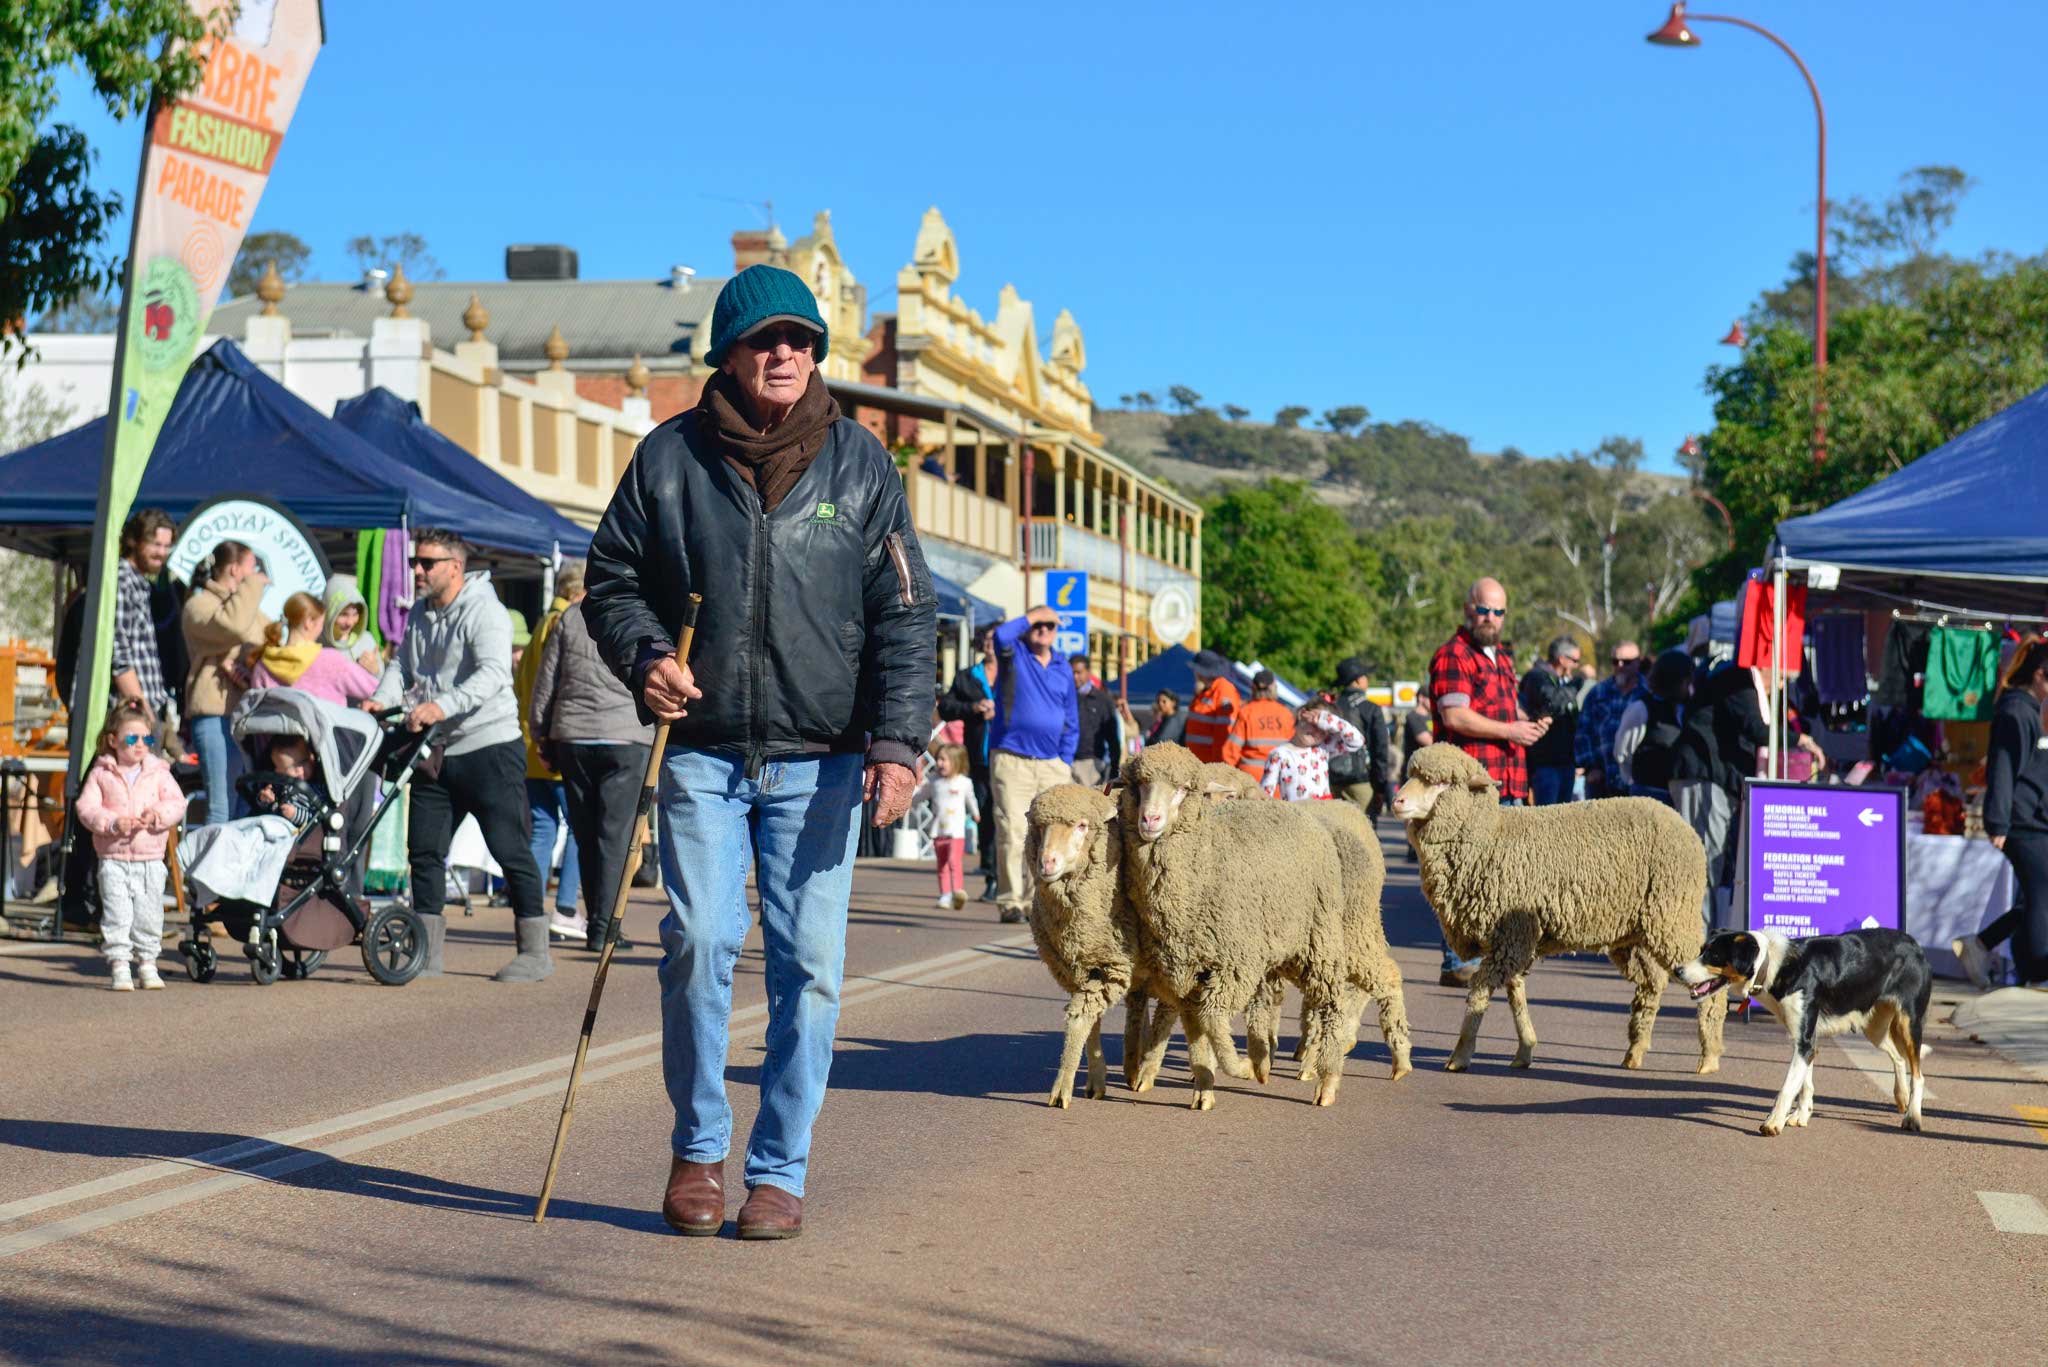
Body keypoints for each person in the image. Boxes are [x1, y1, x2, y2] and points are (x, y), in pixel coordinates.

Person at [583, 262, 934, 1240]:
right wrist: (644, 653)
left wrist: (898, 742)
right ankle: (699, 1147)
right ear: (728, 356)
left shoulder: (860, 464)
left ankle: (777, 1168)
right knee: (699, 942)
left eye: (803, 340)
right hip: (700, 750)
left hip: (821, 756)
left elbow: (905, 614)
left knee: (809, 964)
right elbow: (609, 581)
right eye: (766, 340)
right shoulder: (666, 460)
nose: (786, 354)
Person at [370, 528, 552, 984]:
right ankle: (426, 955)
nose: (416, 570)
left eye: (426, 563)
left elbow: (494, 673)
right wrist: (382, 697)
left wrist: (441, 705)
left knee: (509, 847)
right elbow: (401, 666)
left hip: (489, 745)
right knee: (424, 851)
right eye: (415, 561)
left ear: (455, 566)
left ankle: (534, 952)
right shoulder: (418, 612)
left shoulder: (484, 610)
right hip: (435, 749)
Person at [1427, 577, 1546, 984]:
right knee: (1464, 876)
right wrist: (1511, 731)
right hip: (1471, 787)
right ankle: (1457, 962)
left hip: (1508, 780)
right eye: (1483, 609)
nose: (1490, 618)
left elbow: (1507, 713)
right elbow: (1454, 717)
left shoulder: (1503, 657)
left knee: (1503, 875)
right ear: (1467, 609)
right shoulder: (1453, 655)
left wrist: (1529, 726)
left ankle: (1498, 955)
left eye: (1498, 611)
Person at [529, 588, 656, 953]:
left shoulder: (570, 616)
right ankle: (605, 926)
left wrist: (541, 732)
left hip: (574, 735)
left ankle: (597, 926)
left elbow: (546, 679)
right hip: (627, 736)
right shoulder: (643, 611)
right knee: (614, 836)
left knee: (585, 834)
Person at [73, 699, 187, 991]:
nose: (140, 745)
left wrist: (158, 815)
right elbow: (86, 808)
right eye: (131, 738)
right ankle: (120, 965)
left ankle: (148, 963)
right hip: (113, 858)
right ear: (113, 740)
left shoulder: (159, 772)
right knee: (117, 914)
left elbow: (177, 803)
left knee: (150, 913)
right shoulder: (101, 773)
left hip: (150, 858)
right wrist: (111, 823)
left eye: (147, 738)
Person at [1955, 637, 2048, 990]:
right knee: (2041, 894)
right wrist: (1998, 821)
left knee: (2034, 897)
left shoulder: (2033, 711)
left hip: (2036, 819)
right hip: (2022, 822)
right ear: (2039, 675)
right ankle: (2038, 973)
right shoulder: (2015, 711)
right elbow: (2004, 769)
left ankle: (1985, 948)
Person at [987, 605, 1079, 926]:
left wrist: (1064, 759)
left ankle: (1035, 899)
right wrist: (1033, 614)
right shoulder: (1015, 656)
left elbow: (1071, 717)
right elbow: (1000, 635)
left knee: (1048, 834)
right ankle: (1012, 901)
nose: (1043, 630)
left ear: (1057, 632)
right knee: (1012, 829)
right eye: (1038, 625)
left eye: (1050, 626)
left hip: (1051, 763)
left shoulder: (1062, 666)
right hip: (1013, 759)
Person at [1671, 661, 1774, 931]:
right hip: (1704, 780)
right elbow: (1756, 729)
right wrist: (1802, 740)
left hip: (1709, 780)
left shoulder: (1729, 677)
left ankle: (1701, 940)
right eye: (1781, 679)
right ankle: (1698, 944)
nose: (1780, 686)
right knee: (1703, 865)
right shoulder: (1738, 679)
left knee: (1709, 866)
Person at [515, 565, 586, 943]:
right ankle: (566, 907)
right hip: (554, 742)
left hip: (530, 742)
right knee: (578, 825)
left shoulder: (541, 622)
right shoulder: (565, 622)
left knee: (543, 828)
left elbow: (522, 683)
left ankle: (531, 907)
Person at [181, 540, 271, 825]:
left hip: (247, 719)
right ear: (235, 569)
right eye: (252, 567)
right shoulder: (199, 605)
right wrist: (252, 586)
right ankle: (209, 870)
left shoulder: (248, 608)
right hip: (214, 716)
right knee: (221, 807)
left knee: (245, 809)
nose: (258, 574)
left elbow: (269, 642)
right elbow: (232, 625)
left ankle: (235, 870)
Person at [938, 626, 1001, 901]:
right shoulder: (968, 677)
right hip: (980, 757)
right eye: (986, 640)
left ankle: (1019, 878)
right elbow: (946, 708)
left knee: (1010, 816)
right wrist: (973, 708)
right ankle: (993, 878)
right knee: (987, 816)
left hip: (1013, 756)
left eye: (995, 640)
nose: (990, 645)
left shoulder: (1017, 674)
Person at [249, 592, 383, 706]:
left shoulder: (263, 665)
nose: (321, 630)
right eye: (321, 624)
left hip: (275, 736)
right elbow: (380, 692)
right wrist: (375, 671)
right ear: (309, 622)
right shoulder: (331, 661)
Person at [110, 509, 177, 722]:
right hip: (129, 716)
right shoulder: (123, 581)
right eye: (156, 544)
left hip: (144, 709)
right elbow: (119, 655)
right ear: (134, 542)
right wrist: (143, 711)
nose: (162, 553)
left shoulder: (140, 584)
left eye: (167, 546)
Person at [1613, 649, 1694, 803]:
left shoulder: (1689, 709)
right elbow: (1622, 751)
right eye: (1686, 681)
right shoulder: (1641, 708)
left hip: (1679, 797)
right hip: (1648, 795)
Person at [1576, 642, 1645, 801]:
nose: (1620, 666)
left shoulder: (1648, 691)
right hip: (1601, 781)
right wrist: (1590, 767)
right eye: (1615, 661)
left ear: (1637, 662)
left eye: (1626, 662)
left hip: (1636, 783)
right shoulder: (1598, 692)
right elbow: (1582, 732)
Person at [1520, 636, 1584, 806]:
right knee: (1547, 821)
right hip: (1545, 766)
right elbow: (1553, 701)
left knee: (1563, 820)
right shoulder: (1537, 677)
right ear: (1562, 659)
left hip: (1566, 764)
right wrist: (1577, 683)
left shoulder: (1560, 681)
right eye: (1575, 661)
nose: (1577, 666)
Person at [1326, 656, 1391, 820]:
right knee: (1364, 834)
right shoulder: (1370, 708)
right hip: (1362, 781)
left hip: (1332, 779)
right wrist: (1381, 787)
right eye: (1365, 676)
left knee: (1337, 831)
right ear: (1356, 681)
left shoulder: (1330, 707)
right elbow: (1380, 750)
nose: (1367, 680)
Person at [919, 742, 979, 909]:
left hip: (956, 832)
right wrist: (909, 803)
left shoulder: (964, 782)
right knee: (942, 864)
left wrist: (975, 812)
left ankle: (957, 892)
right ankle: (945, 895)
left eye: (944, 760)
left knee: (954, 862)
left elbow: (971, 798)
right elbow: (923, 796)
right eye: (938, 759)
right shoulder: (934, 781)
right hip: (939, 830)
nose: (939, 763)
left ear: (957, 762)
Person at [1260, 705, 1363, 801]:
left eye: (1323, 730)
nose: (1317, 732)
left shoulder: (1323, 748)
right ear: (1302, 714)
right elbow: (1265, 794)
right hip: (1296, 816)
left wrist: (1329, 720)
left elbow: (1357, 741)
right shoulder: (1278, 755)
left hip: (1324, 814)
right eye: (1314, 724)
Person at [1221, 669, 1295, 779]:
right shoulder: (1286, 714)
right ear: (1273, 687)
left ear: (1253, 688)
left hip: (1251, 778)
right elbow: (1294, 749)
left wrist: (1226, 777)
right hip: (1279, 776)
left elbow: (1230, 752)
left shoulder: (1247, 712)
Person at [1182, 651, 1241, 764]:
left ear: (1201, 671)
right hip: (1198, 763)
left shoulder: (1223, 690)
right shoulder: (1205, 691)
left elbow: (1223, 734)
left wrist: (1217, 767)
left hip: (1211, 765)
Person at [1069, 656, 1119, 788]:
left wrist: (1114, 766)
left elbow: (1112, 736)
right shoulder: (1064, 698)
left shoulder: (1103, 700)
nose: (1075, 677)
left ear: (1088, 672)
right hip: (1065, 760)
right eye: (1072, 673)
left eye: (1079, 672)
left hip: (1091, 763)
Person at [322, 574, 385, 673]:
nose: (350, 622)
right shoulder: (317, 645)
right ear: (329, 612)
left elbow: (383, 682)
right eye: (343, 615)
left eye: (355, 614)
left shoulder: (367, 641)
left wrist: (376, 671)